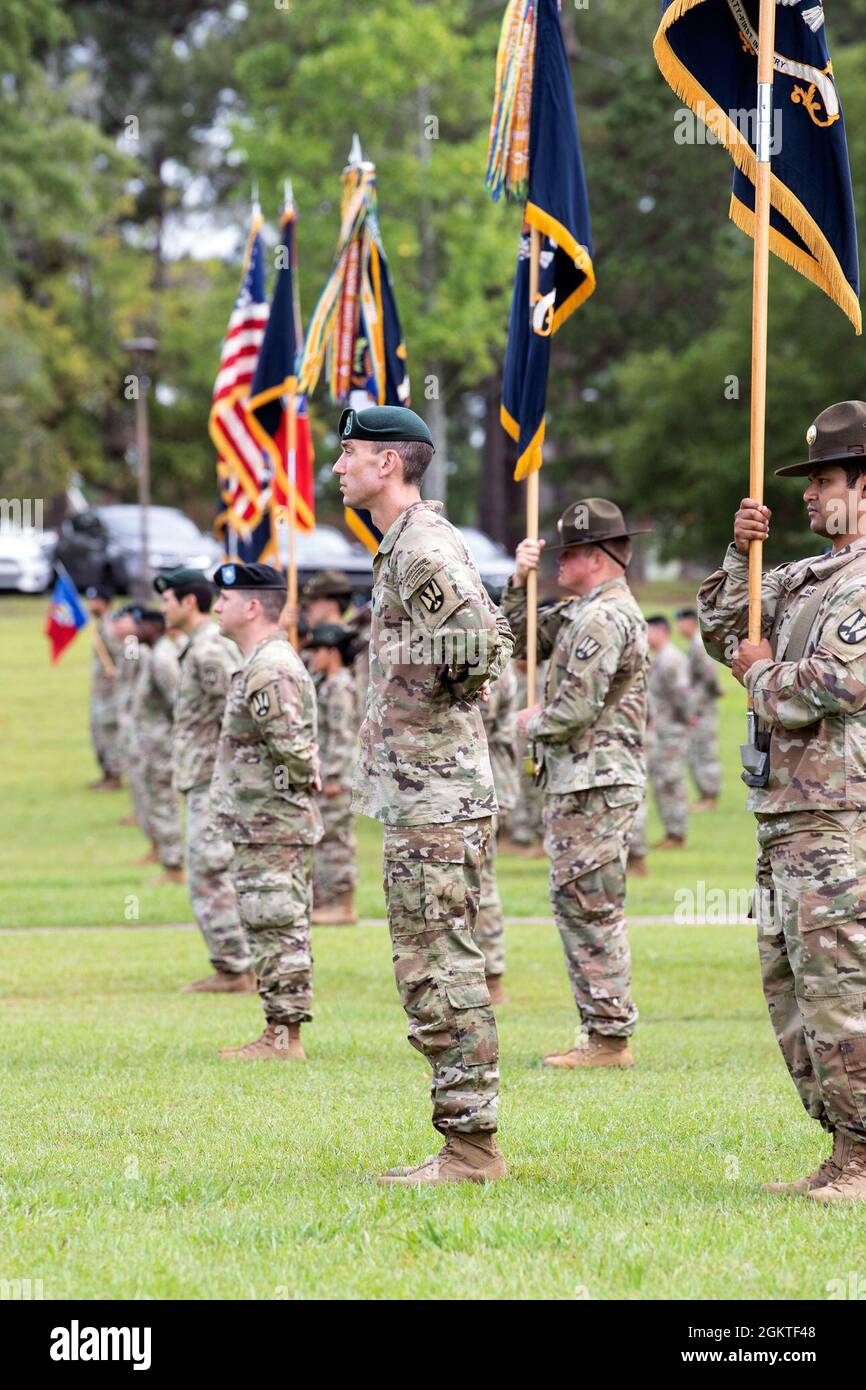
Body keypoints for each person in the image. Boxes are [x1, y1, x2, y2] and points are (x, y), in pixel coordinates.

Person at [336, 403, 513, 1186]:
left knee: (439, 967)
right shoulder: (405, 545)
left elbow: (480, 644)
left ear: (388, 465)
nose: (337, 467)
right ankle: (465, 1141)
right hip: (425, 794)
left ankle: (472, 1150)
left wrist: (449, 705)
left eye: (349, 454)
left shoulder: (420, 548)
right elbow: (484, 636)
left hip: (437, 795)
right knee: (432, 962)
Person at [698, 400, 866, 1203]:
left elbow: (832, 684)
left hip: (839, 814)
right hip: (786, 811)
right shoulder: (806, 575)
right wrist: (740, 555)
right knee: (792, 982)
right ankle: (842, 1147)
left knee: (841, 986)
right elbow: (723, 631)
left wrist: (759, 674)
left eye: (825, 478)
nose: (808, 494)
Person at [502, 498, 650, 1069]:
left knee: (590, 904)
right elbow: (517, 639)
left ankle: (610, 1037)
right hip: (580, 778)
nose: (558, 565)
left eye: (567, 554)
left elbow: (574, 708)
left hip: (596, 778)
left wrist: (527, 722)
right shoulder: (582, 610)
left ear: (594, 557)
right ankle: (602, 1031)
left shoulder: (604, 618)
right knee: (578, 902)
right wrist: (519, 579)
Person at [211, 562, 322, 1062]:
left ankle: (283, 1038)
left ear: (253, 606)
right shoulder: (261, 661)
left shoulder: (269, 667)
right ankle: (278, 1031)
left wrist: (291, 794)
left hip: (272, 822)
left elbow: (294, 747)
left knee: (276, 920)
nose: (217, 606)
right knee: (268, 919)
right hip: (264, 821)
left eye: (225, 598)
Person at [156, 567, 255, 994]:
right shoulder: (197, 648)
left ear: (188, 602)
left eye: (168, 599)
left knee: (209, 870)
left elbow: (238, 712)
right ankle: (238, 963)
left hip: (214, 780)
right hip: (203, 776)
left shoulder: (208, 651)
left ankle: (235, 968)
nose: (163, 607)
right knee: (210, 868)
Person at [306, 623, 359, 926]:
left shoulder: (339, 686)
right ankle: (326, 901)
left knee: (337, 841)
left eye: (318, 652)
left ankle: (343, 904)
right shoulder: (325, 683)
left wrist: (335, 776)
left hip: (338, 779)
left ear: (332, 653)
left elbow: (342, 736)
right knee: (323, 841)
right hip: (326, 775)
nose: (314, 658)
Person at [478, 648, 520, 1004]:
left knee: (483, 879)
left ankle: (492, 976)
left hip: (488, 784)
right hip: (478, 784)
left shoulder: (494, 662)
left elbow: (477, 713)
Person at [132, 610, 184, 883]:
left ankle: (174, 866)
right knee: (155, 800)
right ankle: (164, 855)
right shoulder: (152, 654)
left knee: (164, 802)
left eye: (140, 624)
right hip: (150, 744)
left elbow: (178, 703)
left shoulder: (163, 658)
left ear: (154, 627)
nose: (135, 628)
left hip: (162, 745)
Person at [645, 615, 691, 849]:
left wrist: (685, 720)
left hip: (672, 730)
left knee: (670, 781)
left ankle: (677, 833)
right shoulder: (660, 658)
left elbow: (682, 695)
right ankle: (672, 832)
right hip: (662, 730)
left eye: (648, 630)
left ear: (660, 631)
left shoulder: (671, 659)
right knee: (662, 781)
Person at [676, 607, 723, 811]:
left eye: (680, 623)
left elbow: (708, 673)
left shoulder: (697, 644)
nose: (678, 628)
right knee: (697, 750)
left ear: (689, 622)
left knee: (704, 750)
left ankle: (709, 797)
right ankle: (705, 795)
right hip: (699, 704)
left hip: (702, 706)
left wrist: (714, 690)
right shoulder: (694, 643)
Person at [85, 584, 122, 790]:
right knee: (98, 732)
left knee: (109, 732)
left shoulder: (114, 626)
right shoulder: (100, 625)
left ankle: (114, 775)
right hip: (101, 691)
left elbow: (132, 650)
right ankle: (107, 774)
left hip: (113, 692)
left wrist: (121, 670)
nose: (90, 604)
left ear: (103, 603)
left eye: (93, 600)